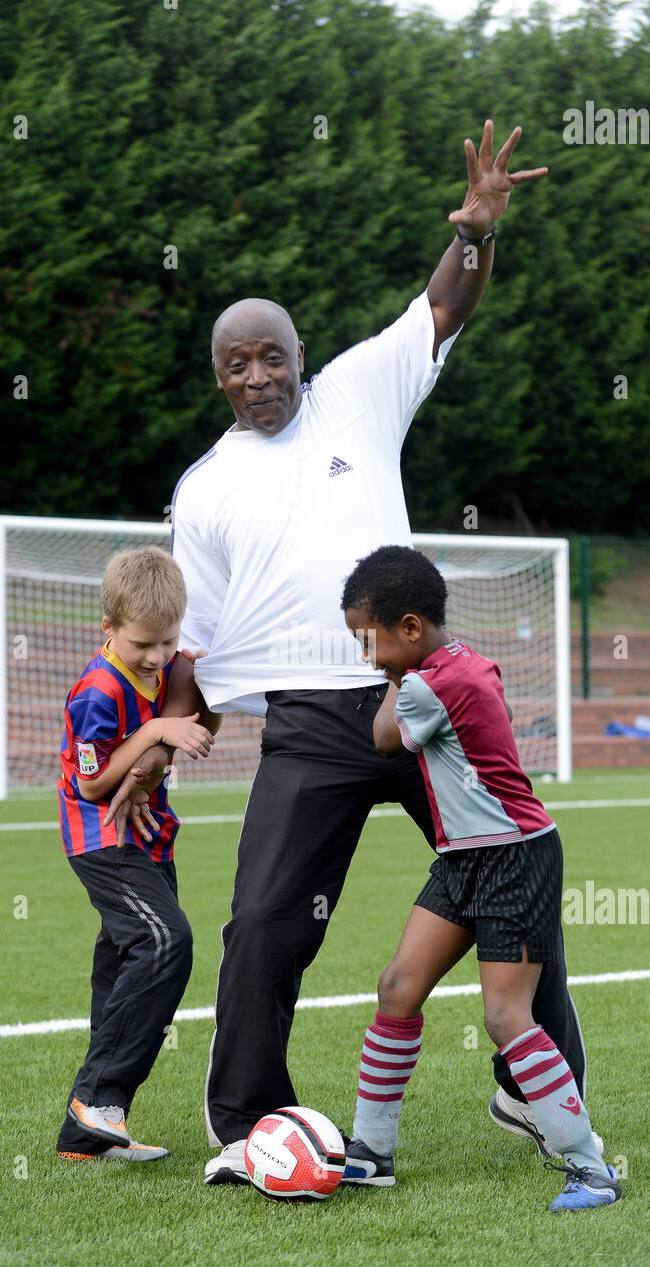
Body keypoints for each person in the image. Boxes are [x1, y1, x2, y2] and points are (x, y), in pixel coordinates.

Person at [107, 121, 576, 1185]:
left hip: (422, 705)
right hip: (311, 729)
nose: (258, 374)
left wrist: (474, 231)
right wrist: (165, 736)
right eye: (238, 363)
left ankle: (537, 1092)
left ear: (300, 357)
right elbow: (205, 644)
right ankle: (251, 1123)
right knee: (264, 923)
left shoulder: (360, 391)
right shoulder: (203, 489)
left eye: (273, 355)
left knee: (512, 889)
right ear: (218, 377)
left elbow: (445, 304)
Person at [339, 545, 621, 1210]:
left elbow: (381, 739)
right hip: (465, 856)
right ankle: (371, 1152)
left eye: (371, 641)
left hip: (514, 856)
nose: (369, 657)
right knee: (398, 986)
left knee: (504, 1015)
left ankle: (590, 1167)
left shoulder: (432, 683)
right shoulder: (449, 664)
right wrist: (396, 667)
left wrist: (393, 678)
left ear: (411, 628)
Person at [54, 547, 215, 1161]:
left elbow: (196, 724)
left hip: (150, 838)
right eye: (143, 644)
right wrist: (153, 731)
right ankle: (99, 1098)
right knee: (164, 942)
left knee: (119, 965)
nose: (155, 657)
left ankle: (87, 1132)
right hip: (104, 841)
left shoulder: (165, 667)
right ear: (109, 629)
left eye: (166, 643)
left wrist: (191, 686)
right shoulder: (97, 692)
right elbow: (92, 786)